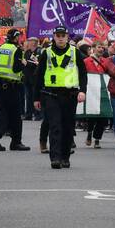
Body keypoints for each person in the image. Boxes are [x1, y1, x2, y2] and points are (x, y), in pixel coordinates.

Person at [35, 26, 87, 169]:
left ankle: (65, 157)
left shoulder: (74, 52)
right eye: (58, 35)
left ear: (67, 37)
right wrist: (36, 98)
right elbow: (39, 76)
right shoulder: (46, 53)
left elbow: (83, 73)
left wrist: (83, 91)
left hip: (70, 95)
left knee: (68, 127)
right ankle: (55, 158)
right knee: (55, 126)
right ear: (54, 36)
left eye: (63, 35)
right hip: (51, 95)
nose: (60, 38)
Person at [0, 30, 31, 151]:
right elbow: (17, 69)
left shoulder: (1, 48)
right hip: (12, 86)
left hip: (0, 85)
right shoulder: (16, 50)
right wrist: (23, 63)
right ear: (16, 38)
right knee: (16, 115)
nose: (20, 39)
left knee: (2, 113)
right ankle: (16, 142)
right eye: (19, 37)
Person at [22, 37, 42, 121]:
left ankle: (38, 114)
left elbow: (36, 64)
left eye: (29, 41)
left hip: (35, 78)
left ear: (34, 42)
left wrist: (26, 63)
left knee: (35, 97)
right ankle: (28, 114)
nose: (28, 43)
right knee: (28, 97)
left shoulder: (38, 52)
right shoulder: (27, 52)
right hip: (27, 78)